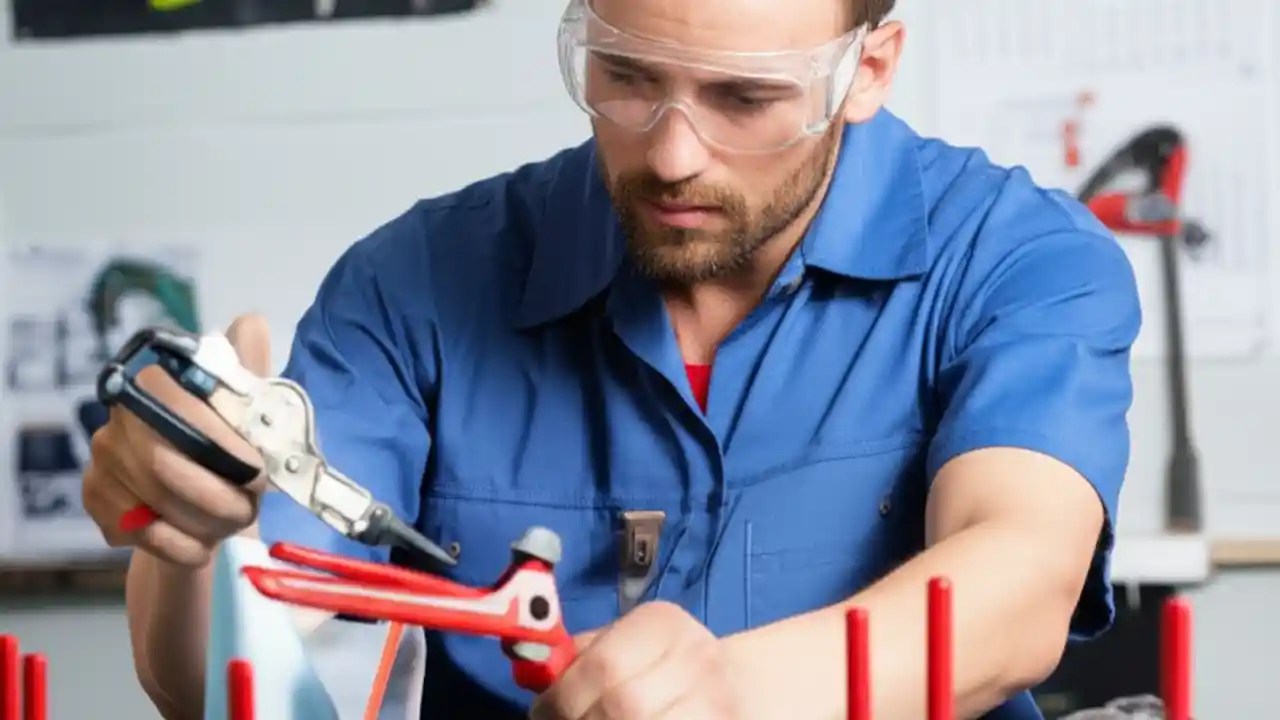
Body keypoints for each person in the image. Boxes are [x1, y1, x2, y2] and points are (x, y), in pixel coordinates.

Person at [81, 0, 1143, 717]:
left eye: (742, 99)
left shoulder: (1016, 259)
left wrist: (727, 693)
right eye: (627, 78)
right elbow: (226, 672)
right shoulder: (416, 283)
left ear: (866, 69)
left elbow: (1016, 583)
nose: (673, 154)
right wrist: (182, 543)